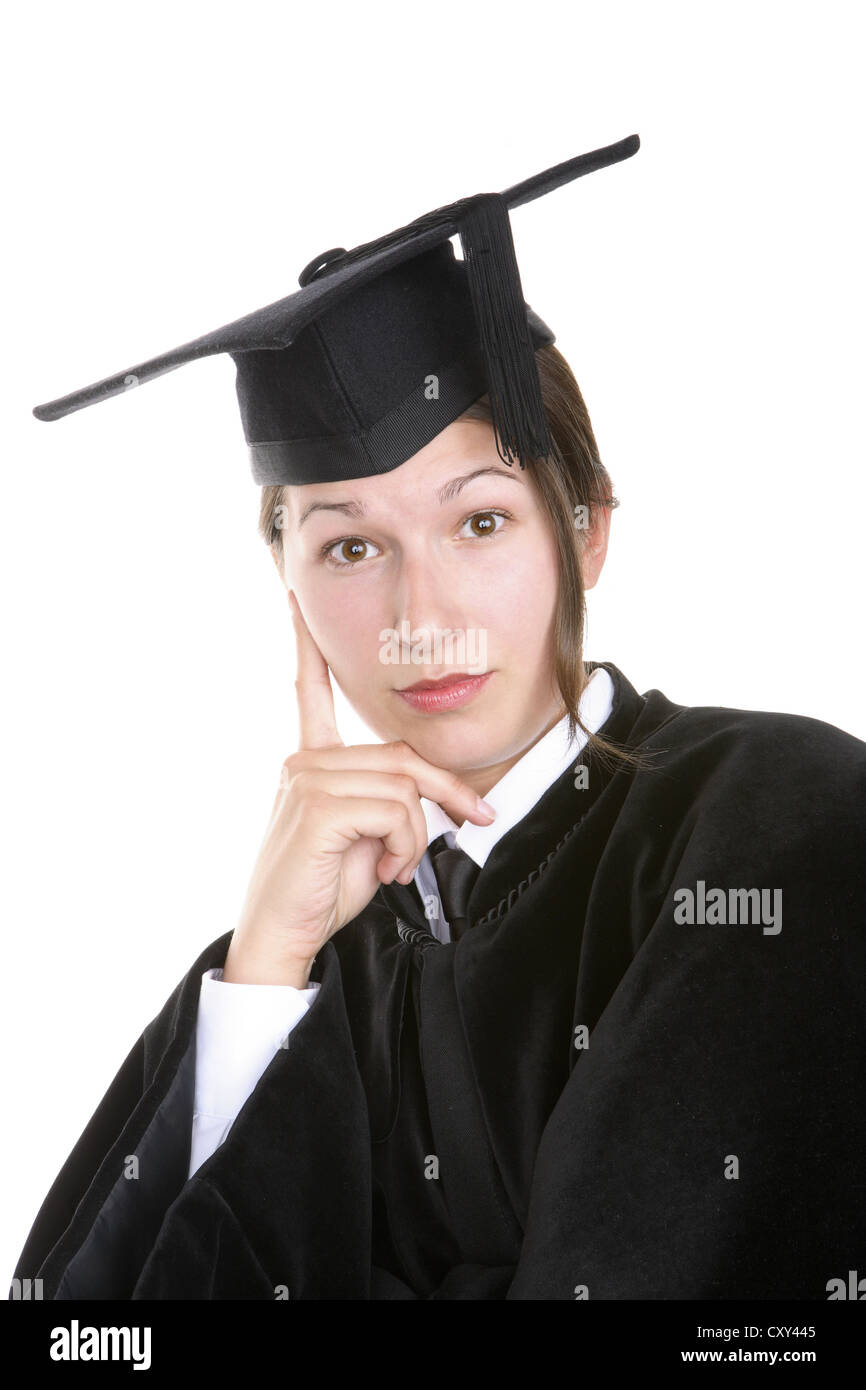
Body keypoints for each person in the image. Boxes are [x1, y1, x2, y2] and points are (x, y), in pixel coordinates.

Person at [11, 135, 866, 1300]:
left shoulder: (775, 817)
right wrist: (263, 979)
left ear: (585, 531)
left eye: (479, 522)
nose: (421, 617)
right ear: (288, 586)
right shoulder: (293, 956)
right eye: (350, 547)